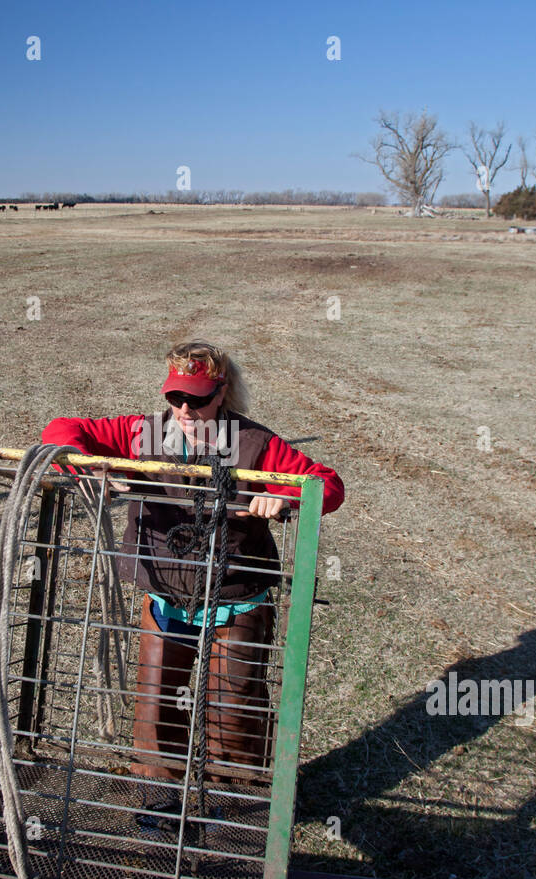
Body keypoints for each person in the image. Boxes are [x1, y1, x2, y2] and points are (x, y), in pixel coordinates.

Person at [41, 341, 344, 828]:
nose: (185, 409)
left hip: (236, 595)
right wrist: (86, 463)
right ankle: (160, 797)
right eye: (176, 397)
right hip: (165, 595)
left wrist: (282, 498)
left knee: (233, 706)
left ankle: (237, 807)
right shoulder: (141, 433)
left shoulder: (256, 443)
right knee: (156, 701)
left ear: (221, 393)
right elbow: (61, 431)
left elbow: (327, 484)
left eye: (198, 398)